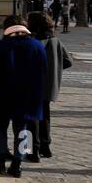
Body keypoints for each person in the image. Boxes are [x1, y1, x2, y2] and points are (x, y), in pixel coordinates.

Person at [0, 16, 47, 178]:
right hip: (29, 95)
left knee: (0, 128)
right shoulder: (37, 46)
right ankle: (17, 164)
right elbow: (43, 71)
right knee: (23, 130)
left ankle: (0, 160)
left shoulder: (1, 46)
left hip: (3, 94)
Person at [27, 11, 70, 159]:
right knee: (45, 115)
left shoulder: (31, 40)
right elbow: (68, 61)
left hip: (33, 84)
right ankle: (46, 147)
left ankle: (33, 149)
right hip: (49, 85)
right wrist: (55, 68)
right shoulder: (55, 40)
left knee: (32, 117)